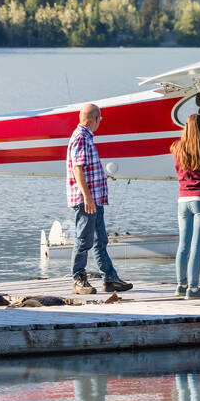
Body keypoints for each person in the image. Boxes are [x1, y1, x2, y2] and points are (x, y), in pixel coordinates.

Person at [67, 101, 133, 295]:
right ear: (95, 119)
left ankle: (109, 278)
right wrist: (87, 197)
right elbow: (77, 169)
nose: (100, 122)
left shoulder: (86, 137)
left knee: (100, 239)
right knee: (83, 240)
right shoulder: (81, 138)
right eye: (100, 119)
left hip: (94, 200)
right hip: (86, 200)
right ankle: (78, 278)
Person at [171, 112, 200, 299]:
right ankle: (194, 288)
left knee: (183, 245)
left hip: (183, 199)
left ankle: (180, 286)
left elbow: (178, 169)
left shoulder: (176, 148)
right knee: (196, 247)